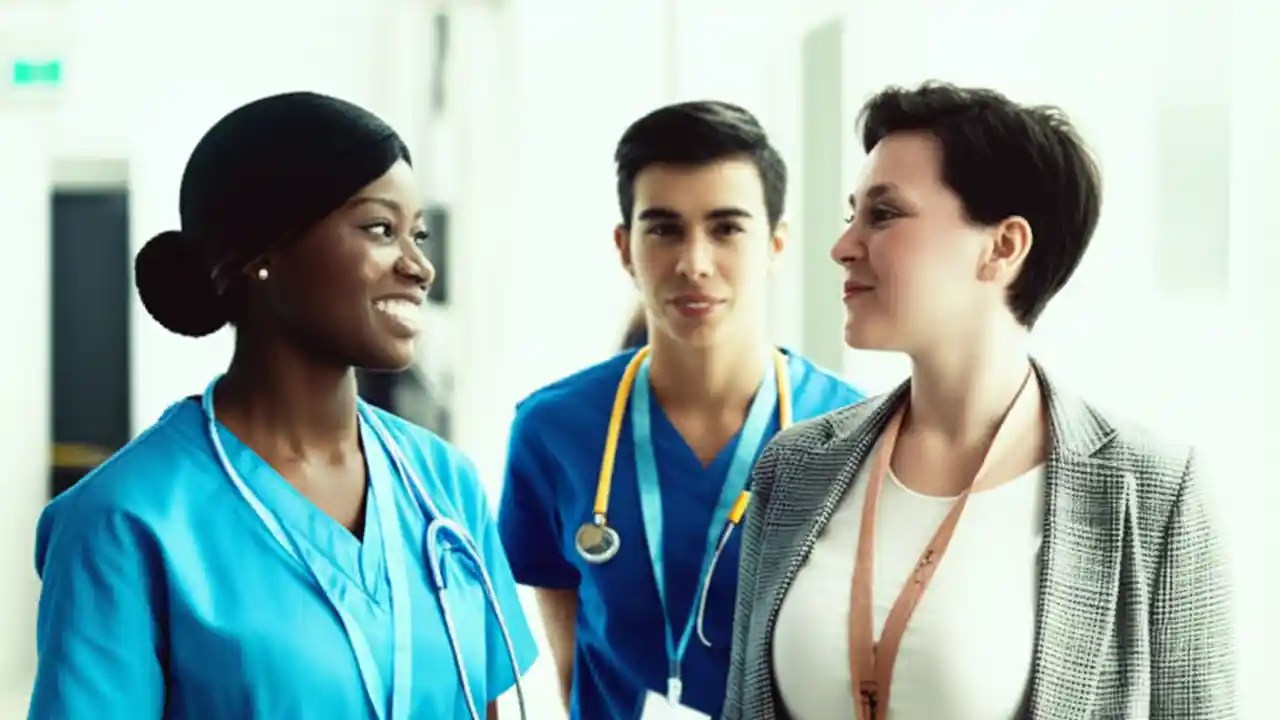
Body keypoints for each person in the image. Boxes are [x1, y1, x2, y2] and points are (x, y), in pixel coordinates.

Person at [723, 82, 1236, 719]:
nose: (843, 245)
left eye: (883, 215)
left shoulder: (1152, 492)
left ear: (1003, 247)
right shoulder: (794, 465)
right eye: (852, 215)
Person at [28, 92, 537, 720]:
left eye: (419, 233)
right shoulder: (124, 520)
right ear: (262, 252)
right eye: (381, 229)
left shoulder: (444, 486)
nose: (420, 266)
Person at [497, 101, 865, 720]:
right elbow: (572, 670)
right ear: (624, 247)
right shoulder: (553, 432)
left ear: (776, 243)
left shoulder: (855, 433)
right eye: (665, 228)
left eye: (726, 228)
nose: (694, 262)